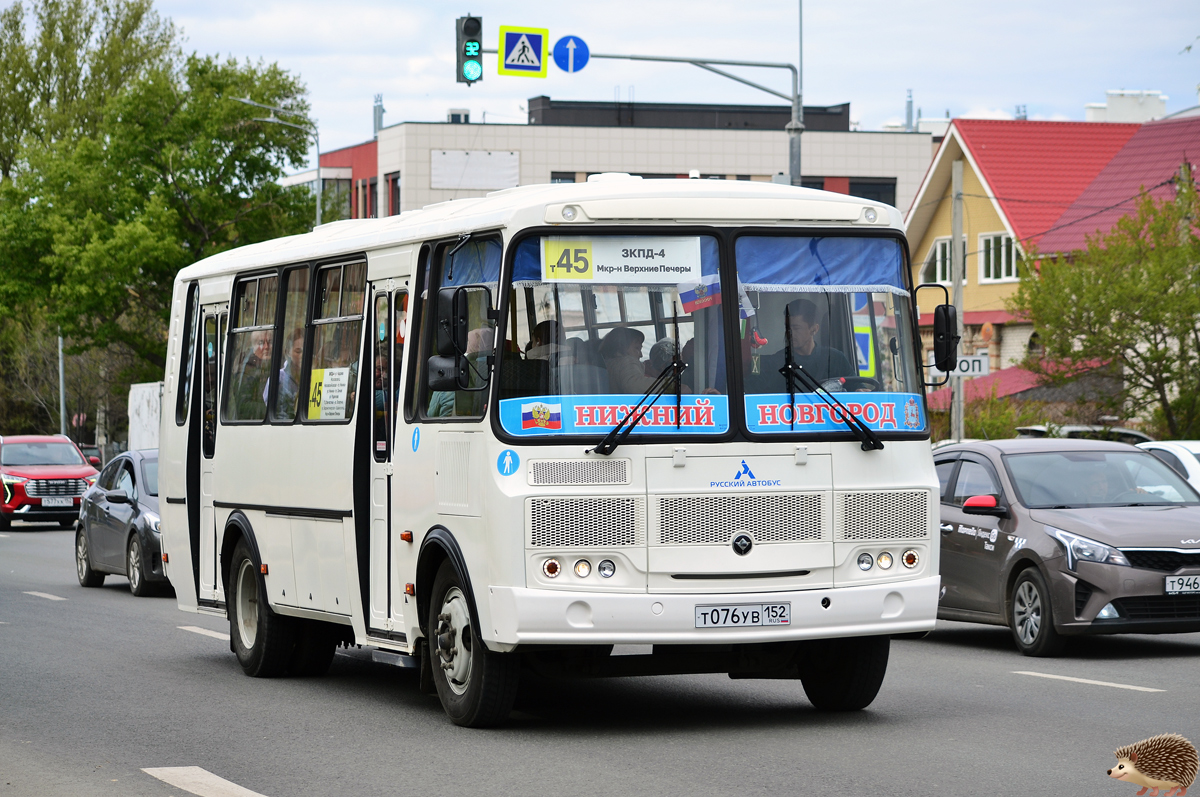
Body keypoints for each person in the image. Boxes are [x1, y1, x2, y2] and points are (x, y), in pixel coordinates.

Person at [747, 297, 855, 392]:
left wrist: (860, 389)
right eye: (787, 328)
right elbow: (750, 393)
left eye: (796, 328)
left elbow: (857, 388)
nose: (789, 333)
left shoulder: (835, 359)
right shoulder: (774, 363)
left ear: (814, 329)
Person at [599, 327, 655, 394]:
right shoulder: (627, 362)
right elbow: (635, 386)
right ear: (622, 347)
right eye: (637, 348)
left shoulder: (607, 363)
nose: (641, 355)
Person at [275, 328, 305, 415]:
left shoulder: (315, 376)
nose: (303, 355)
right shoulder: (278, 379)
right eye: (298, 351)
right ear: (287, 352)